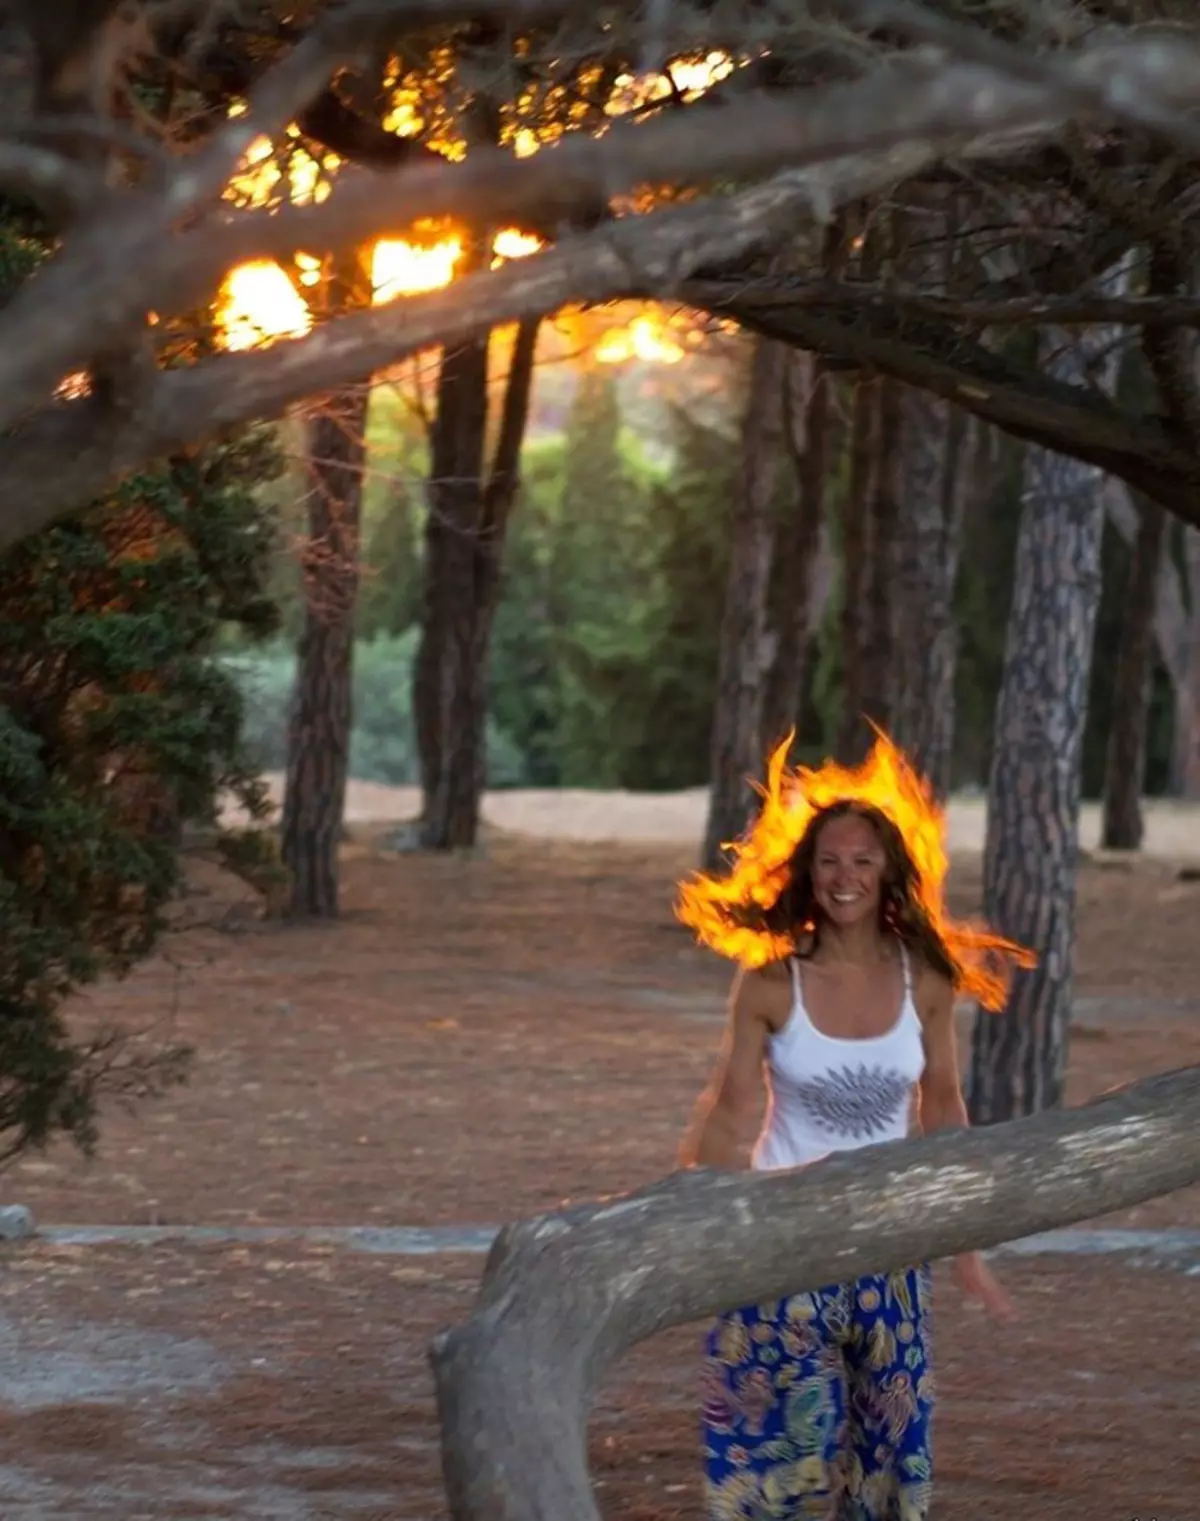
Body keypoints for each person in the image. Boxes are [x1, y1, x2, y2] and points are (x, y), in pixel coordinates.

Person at [676, 740, 1033, 1521]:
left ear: (886, 872)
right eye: (830, 861)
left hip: (890, 1247)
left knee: (896, 1465)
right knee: (778, 1466)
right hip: (785, 1243)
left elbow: (943, 1108)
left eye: (862, 862)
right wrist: (700, 1225)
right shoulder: (772, 979)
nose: (845, 878)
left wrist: (964, 1243)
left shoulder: (924, 977)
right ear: (810, 872)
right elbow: (732, 1111)